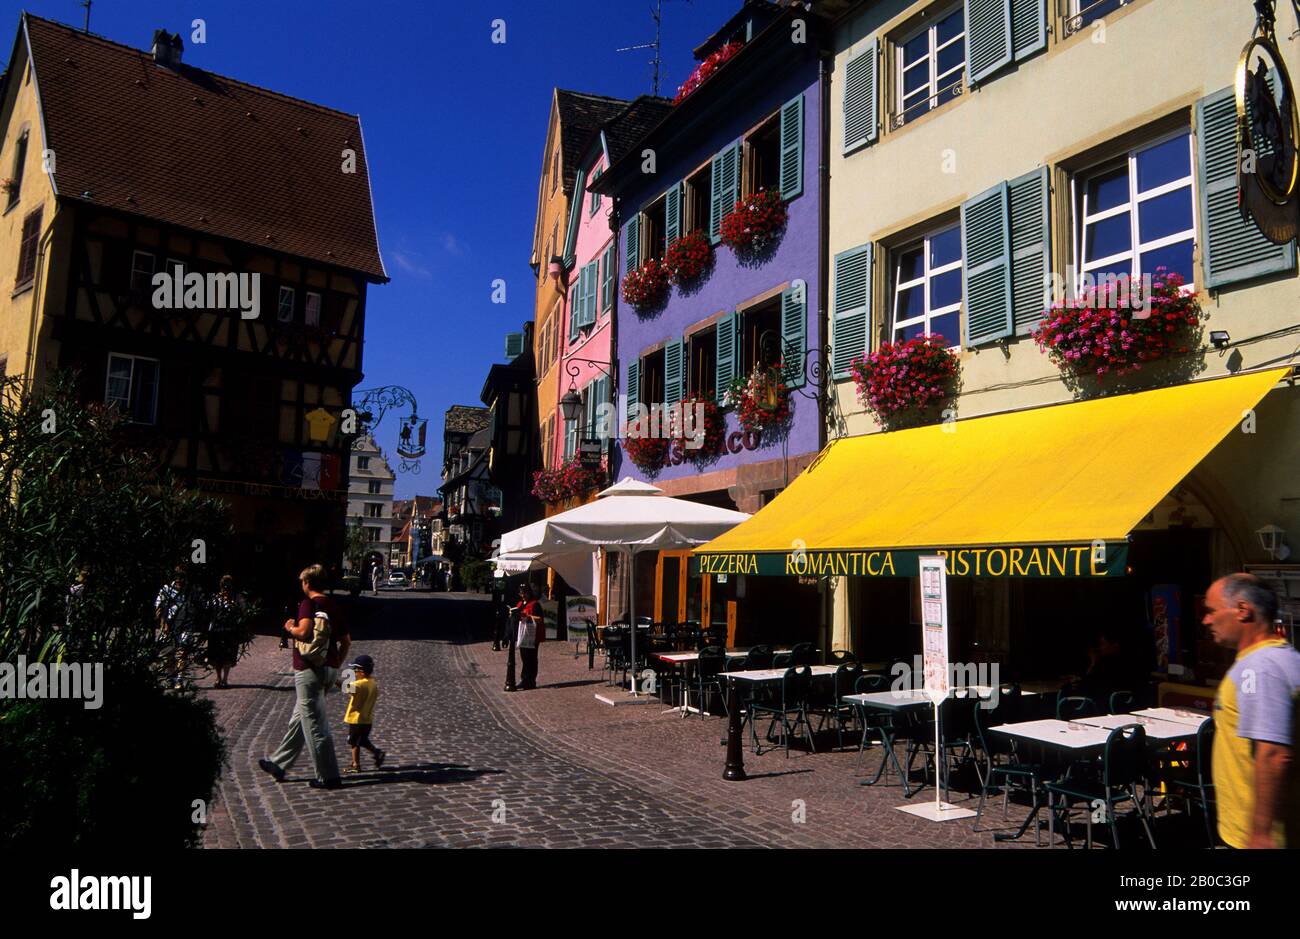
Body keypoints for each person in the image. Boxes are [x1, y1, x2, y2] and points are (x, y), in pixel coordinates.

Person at [1204, 573, 1300, 848]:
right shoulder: (1281, 657)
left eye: (1211, 611)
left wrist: (1261, 833)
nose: (1206, 620)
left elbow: (1272, 754)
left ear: (1243, 610)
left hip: (1257, 838)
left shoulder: (1260, 667)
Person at [259, 564, 351, 790]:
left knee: (315, 724)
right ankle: (278, 763)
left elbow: (304, 632)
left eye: (302, 582)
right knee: (299, 720)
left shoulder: (308, 604)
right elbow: (346, 641)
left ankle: (328, 776)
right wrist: (336, 663)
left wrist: (290, 627)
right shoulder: (332, 605)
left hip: (308, 670)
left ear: (307, 583)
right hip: (328, 669)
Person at [156, 566, 197, 689]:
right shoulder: (166, 590)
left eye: (182, 577)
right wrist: (163, 624)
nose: (179, 580)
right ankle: (170, 678)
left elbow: (194, 608)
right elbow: (159, 608)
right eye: (177, 577)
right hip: (169, 624)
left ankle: (179, 679)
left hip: (185, 625)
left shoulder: (190, 591)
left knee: (182, 652)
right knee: (168, 653)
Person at [343, 654, 385, 773]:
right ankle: (377, 752)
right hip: (367, 720)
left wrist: (334, 680)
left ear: (361, 671)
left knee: (354, 742)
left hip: (356, 719)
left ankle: (356, 765)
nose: (354, 673)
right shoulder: (372, 683)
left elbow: (345, 689)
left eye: (355, 670)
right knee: (362, 740)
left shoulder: (358, 685)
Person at [206, 575, 243, 689]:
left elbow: (243, 611)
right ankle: (218, 677)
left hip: (230, 631)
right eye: (224, 587)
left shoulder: (237, 598)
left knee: (228, 655)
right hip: (217, 630)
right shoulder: (215, 598)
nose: (226, 590)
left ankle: (225, 678)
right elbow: (209, 612)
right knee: (217, 656)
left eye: (228, 587)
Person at [515, 584, 543, 690]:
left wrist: (527, 616)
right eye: (521, 593)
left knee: (531, 658)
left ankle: (531, 681)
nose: (522, 596)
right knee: (524, 658)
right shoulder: (520, 604)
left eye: (524, 593)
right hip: (522, 634)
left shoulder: (535, 604)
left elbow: (539, 619)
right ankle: (524, 679)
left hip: (532, 635)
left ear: (529, 593)